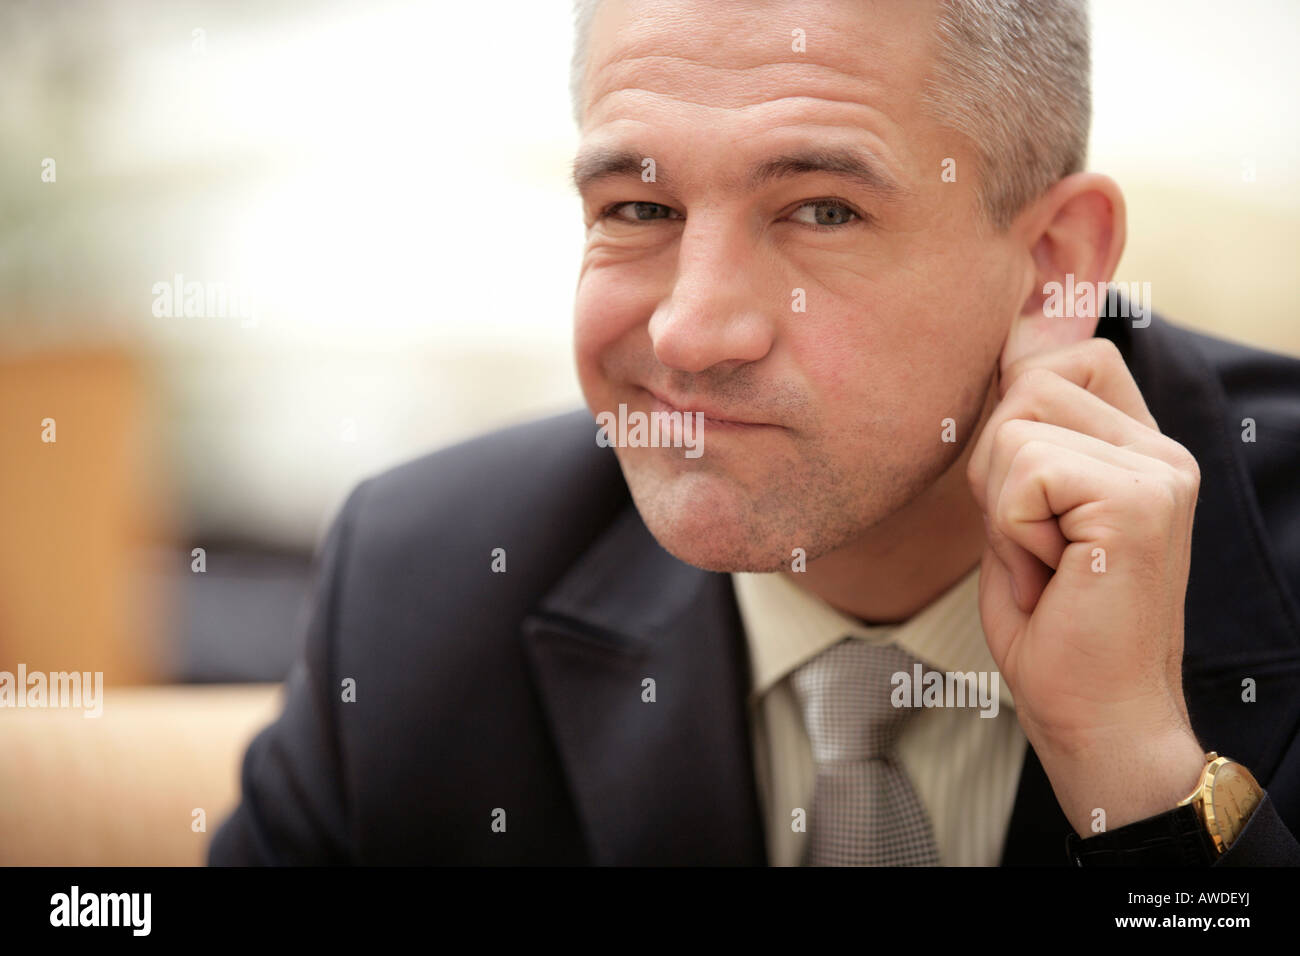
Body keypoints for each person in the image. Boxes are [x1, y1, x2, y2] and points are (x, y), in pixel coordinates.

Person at [209, 0, 1300, 865]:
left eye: (820, 210)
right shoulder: (418, 582)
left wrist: (1141, 779)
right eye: (638, 210)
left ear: (1053, 265)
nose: (689, 331)